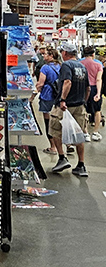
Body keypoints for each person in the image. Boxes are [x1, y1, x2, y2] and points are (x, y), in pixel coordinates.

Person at [49, 44, 90, 177]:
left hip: (65, 106)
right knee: (79, 135)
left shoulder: (67, 65)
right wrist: (83, 101)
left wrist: (62, 100)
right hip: (79, 105)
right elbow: (88, 88)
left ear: (65, 52)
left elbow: (67, 82)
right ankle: (81, 165)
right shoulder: (82, 67)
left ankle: (62, 158)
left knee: (55, 130)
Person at [34, 46, 61, 153]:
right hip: (59, 96)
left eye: (46, 54)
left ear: (51, 56)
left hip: (47, 95)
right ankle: (67, 145)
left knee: (48, 121)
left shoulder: (45, 68)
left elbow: (40, 84)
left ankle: (53, 147)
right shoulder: (61, 66)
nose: (44, 55)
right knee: (60, 120)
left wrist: (33, 95)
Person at [81, 45, 103, 141]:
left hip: (82, 88)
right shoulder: (98, 65)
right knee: (97, 110)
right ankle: (95, 132)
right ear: (93, 54)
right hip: (94, 88)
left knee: (83, 110)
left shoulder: (80, 64)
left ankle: (85, 133)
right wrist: (98, 93)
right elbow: (98, 79)